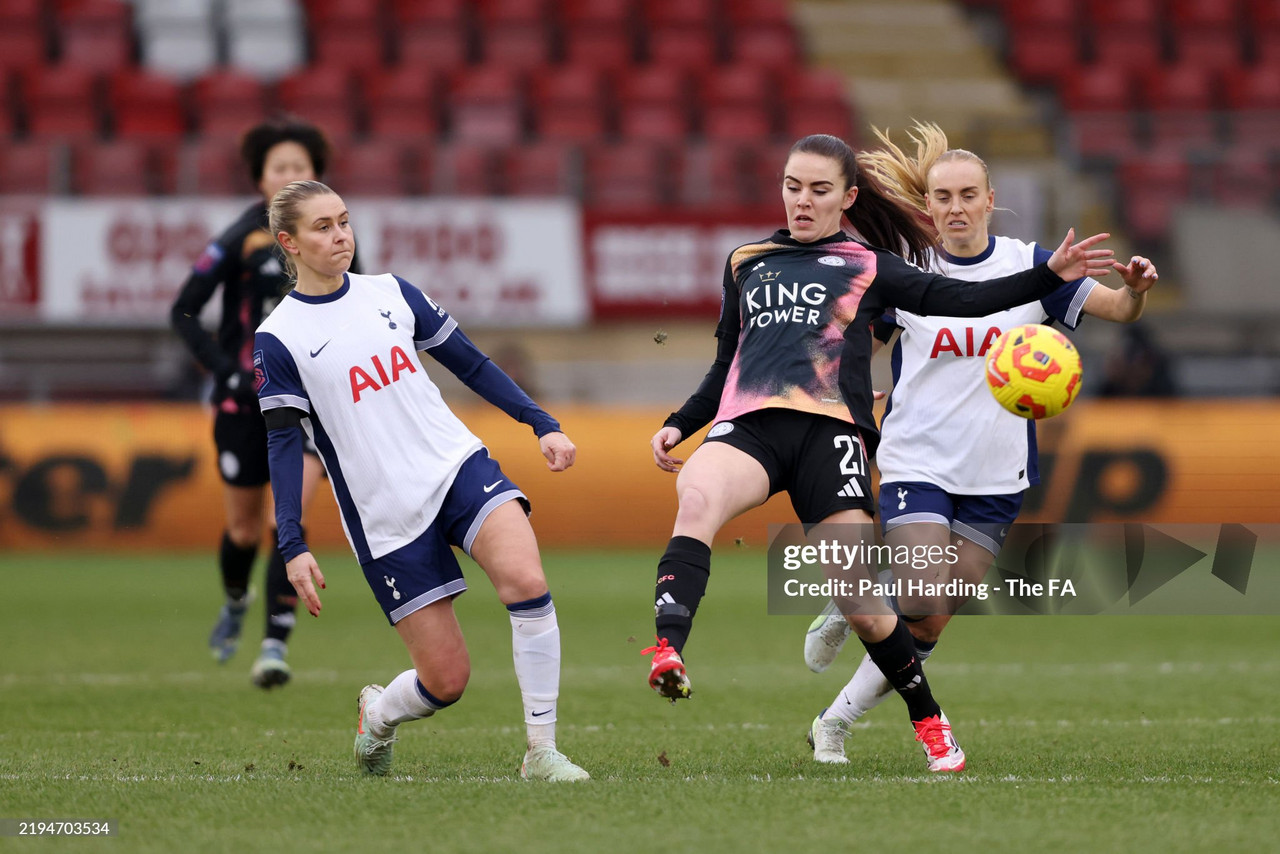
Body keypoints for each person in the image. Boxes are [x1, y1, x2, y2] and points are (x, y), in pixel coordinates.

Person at [643, 132, 1117, 773]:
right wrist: (682, 422)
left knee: (887, 611)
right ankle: (668, 649)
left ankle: (916, 720)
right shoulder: (747, 261)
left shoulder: (870, 265)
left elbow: (965, 299)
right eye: (792, 186)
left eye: (818, 189)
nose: (802, 200)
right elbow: (726, 362)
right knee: (696, 496)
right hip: (758, 428)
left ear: (846, 198)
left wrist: (1047, 276)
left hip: (832, 440)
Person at [801, 121, 1159, 765]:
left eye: (969, 195)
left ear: (991, 200)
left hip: (997, 473)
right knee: (919, 592)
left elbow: (1117, 308)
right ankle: (856, 600)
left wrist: (1134, 290)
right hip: (917, 459)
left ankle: (834, 721)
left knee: (931, 620)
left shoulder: (1030, 265)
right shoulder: (909, 272)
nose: (957, 207)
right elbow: (857, 346)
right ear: (929, 205)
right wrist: (842, 395)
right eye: (943, 197)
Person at [254, 180, 589, 782]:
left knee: (526, 581)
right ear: (290, 243)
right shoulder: (279, 337)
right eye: (323, 227)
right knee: (446, 680)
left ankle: (541, 751)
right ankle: (379, 715)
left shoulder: (391, 291)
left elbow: (471, 363)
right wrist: (292, 541)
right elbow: (282, 442)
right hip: (384, 512)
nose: (341, 235)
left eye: (344, 221)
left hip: (455, 465)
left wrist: (541, 422)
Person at [171, 117, 349, 688]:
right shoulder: (239, 237)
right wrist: (225, 371)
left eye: (302, 167)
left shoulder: (334, 237)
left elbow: (359, 312)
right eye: (280, 168)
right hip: (245, 405)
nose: (291, 175)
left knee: (283, 520)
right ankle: (235, 598)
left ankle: (275, 645)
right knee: (244, 531)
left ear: (316, 174)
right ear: (260, 178)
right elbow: (184, 310)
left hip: (308, 406)